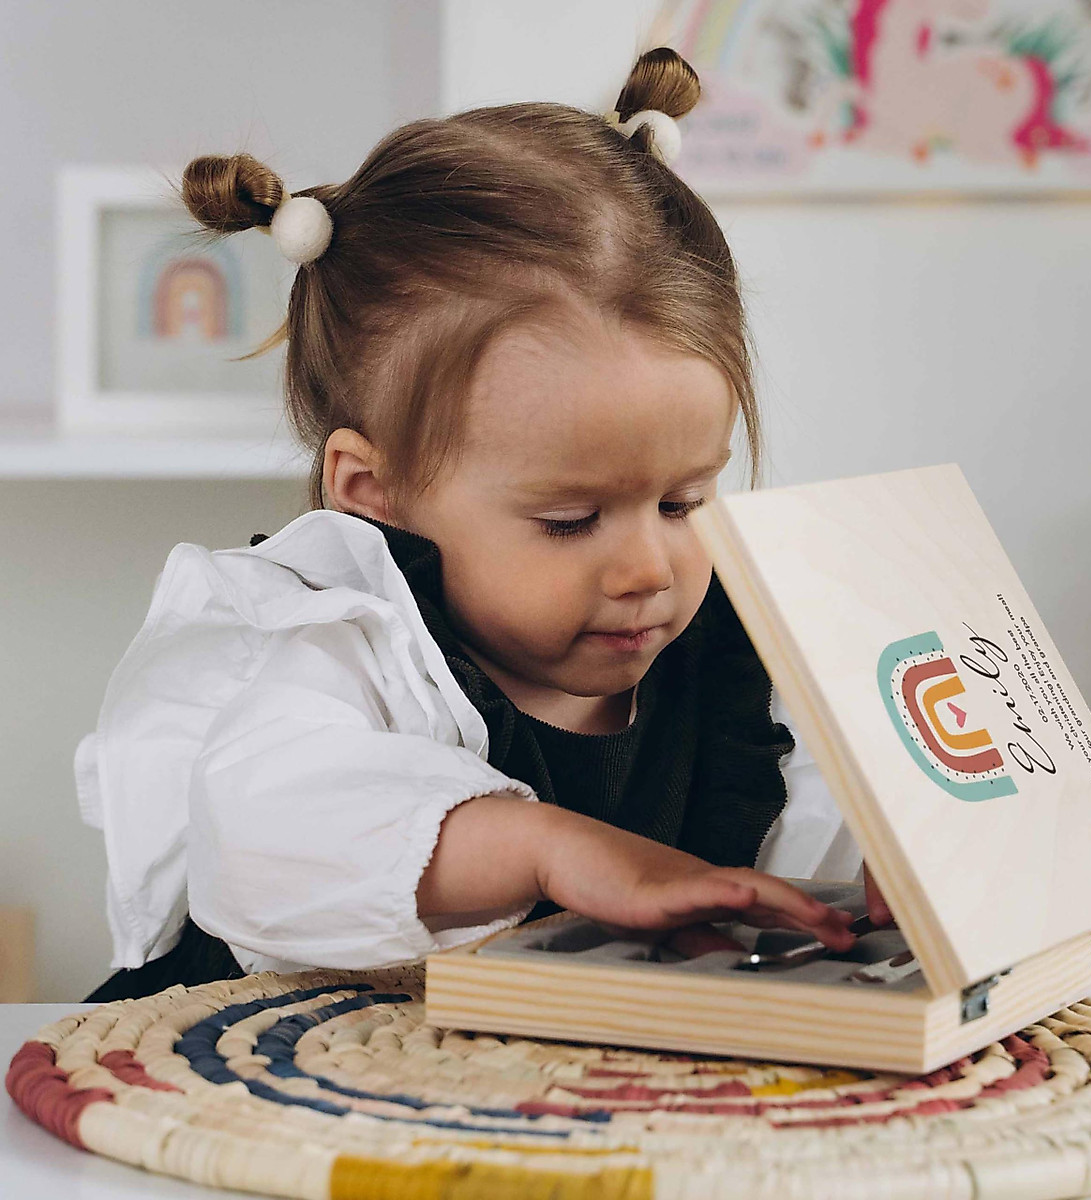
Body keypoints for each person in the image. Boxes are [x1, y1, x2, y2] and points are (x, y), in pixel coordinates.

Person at [80, 47, 888, 1003]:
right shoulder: (348, 651)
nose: (647, 567)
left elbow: (803, 852)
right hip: (287, 1071)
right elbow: (258, 837)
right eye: (569, 520)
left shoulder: (736, 680)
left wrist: (882, 876)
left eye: (682, 504)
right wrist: (547, 850)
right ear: (373, 492)